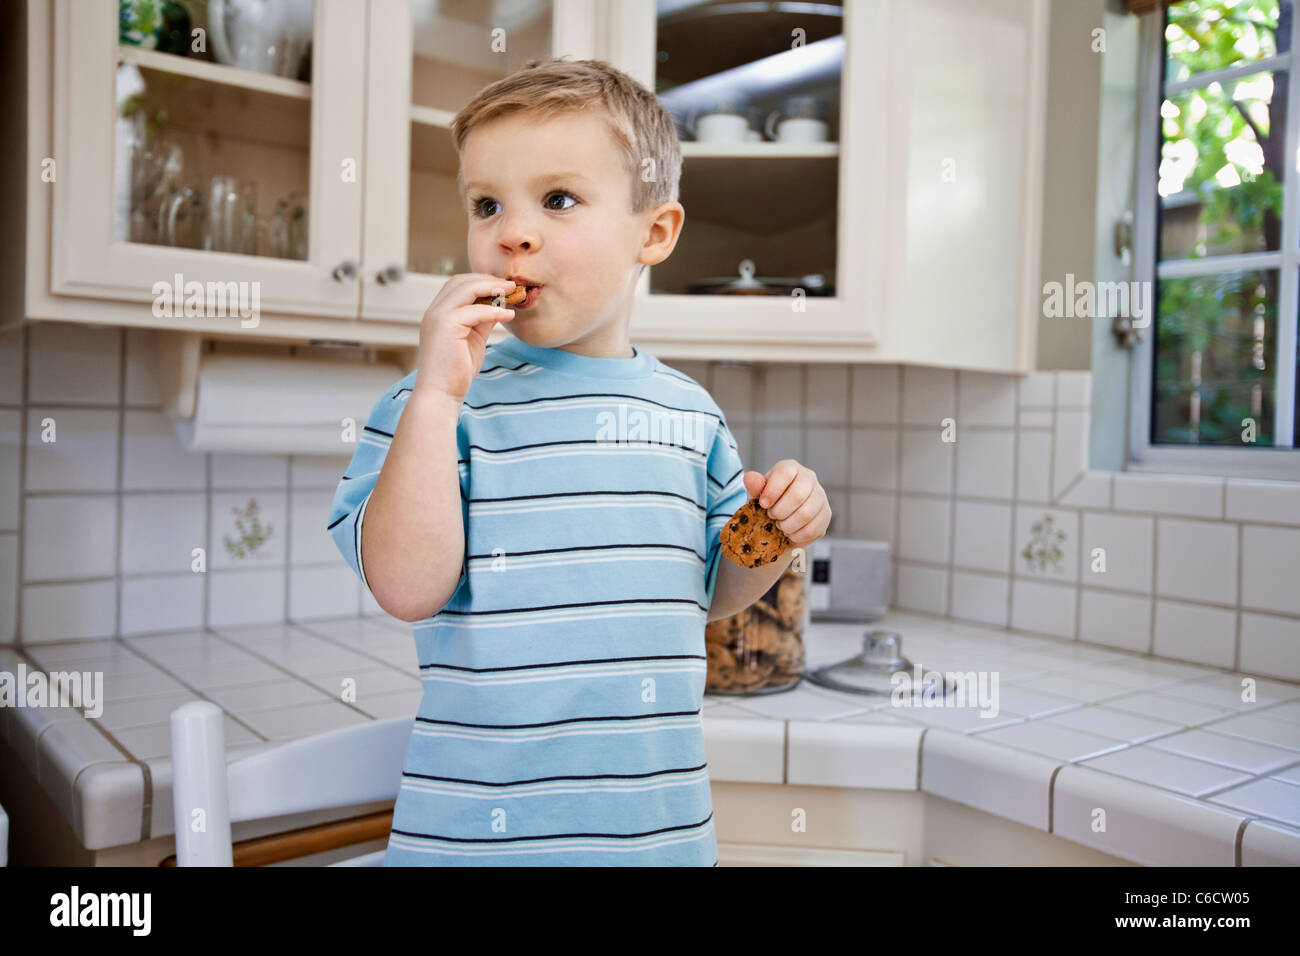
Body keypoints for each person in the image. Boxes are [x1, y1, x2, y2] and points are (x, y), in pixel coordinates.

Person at [328, 57, 831, 865]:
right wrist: (434, 400)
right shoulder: (436, 408)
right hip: (473, 847)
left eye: (558, 199)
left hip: (654, 843)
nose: (511, 231)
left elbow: (711, 595)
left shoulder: (689, 416)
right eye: (487, 204)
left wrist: (773, 531)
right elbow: (407, 588)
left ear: (653, 233)